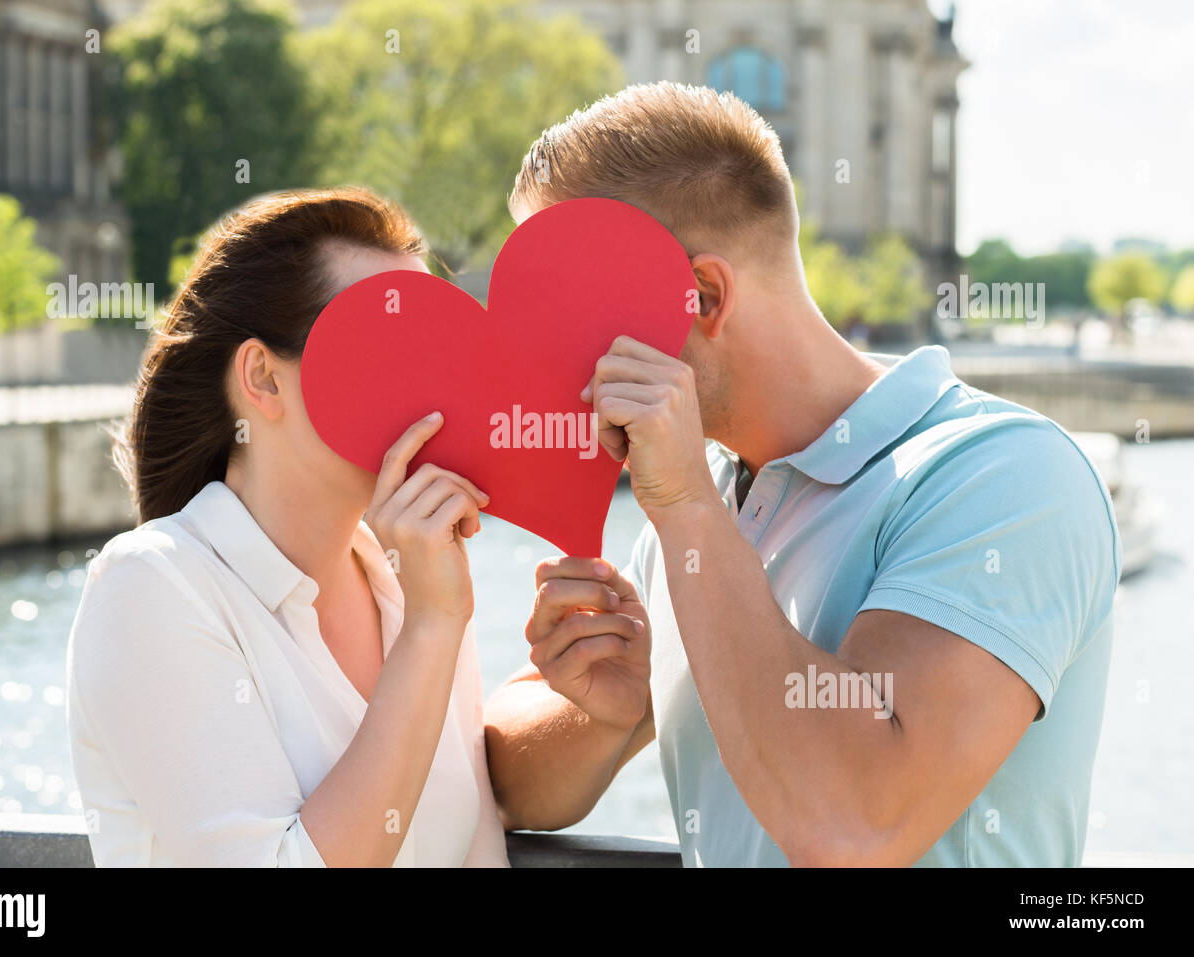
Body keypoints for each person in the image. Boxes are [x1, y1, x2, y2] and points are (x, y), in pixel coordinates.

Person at [484, 83, 1120, 867]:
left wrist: (686, 510)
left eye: (560, 310)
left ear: (702, 296)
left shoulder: (1003, 479)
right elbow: (505, 789)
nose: (541, 354)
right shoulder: (705, 497)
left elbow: (855, 824)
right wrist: (605, 716)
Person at [66, 188, 508, 867]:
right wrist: (430, 628)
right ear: (264, 379)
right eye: (386, 344)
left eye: (434, 349)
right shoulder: (151, 587)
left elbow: (480, 850)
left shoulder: (412, 585)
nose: (425, 386)